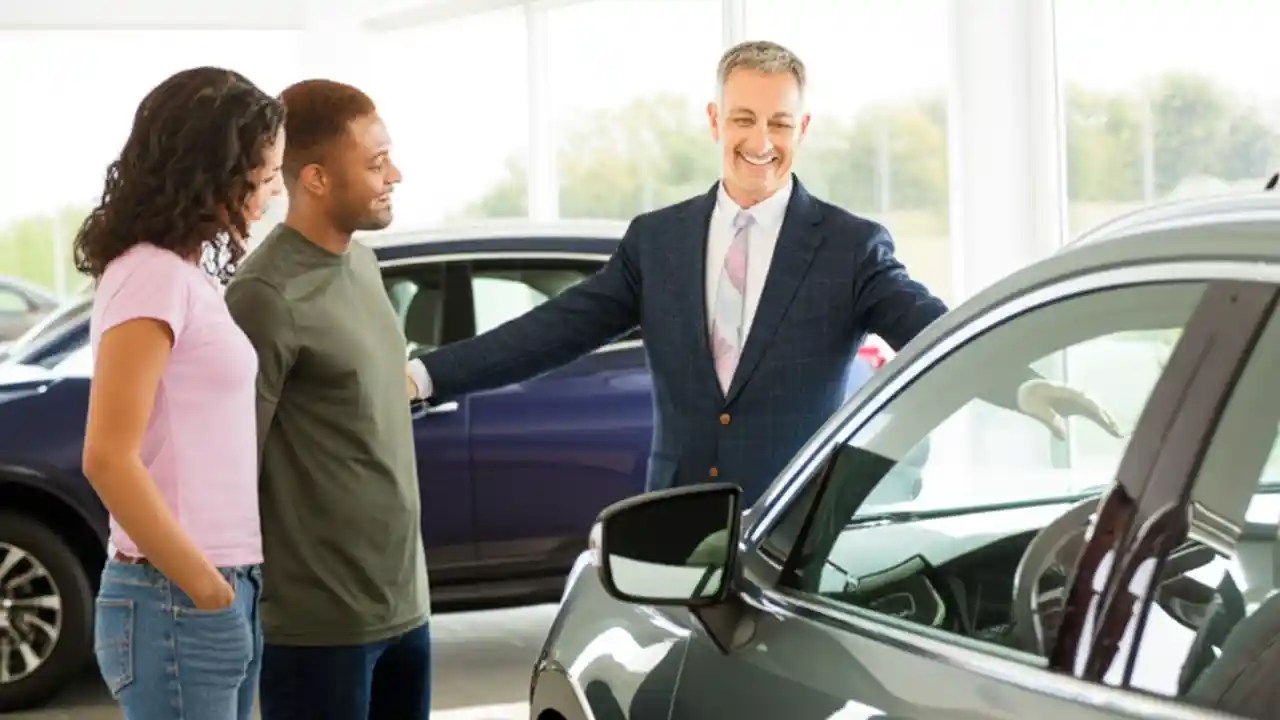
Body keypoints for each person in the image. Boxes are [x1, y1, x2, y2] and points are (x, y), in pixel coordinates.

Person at [409, 39, 1120, 506]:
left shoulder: (850, 246)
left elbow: (927, 329)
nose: (761, 141)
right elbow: (549, 331)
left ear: (802, 129)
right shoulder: (656, 241)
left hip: (795, 529)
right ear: (715, 120)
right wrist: (425, 376)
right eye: (745, 119)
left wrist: (1017, 382)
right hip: (676, 528)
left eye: (780, 123)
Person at [77, 67, 285, 719]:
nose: (270, 191)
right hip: (176, 596)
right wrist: (204, 588)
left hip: (215, 587)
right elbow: (108, 457)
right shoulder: (149, 275)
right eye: (264, 171)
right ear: (214, 168)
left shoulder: (185, 275)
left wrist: (227, 588)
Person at [224, 79, 430, 720]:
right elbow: (231, 469)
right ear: (313, 178)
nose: (394, 174)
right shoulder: (265, 296)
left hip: (406, 608)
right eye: (374, 164)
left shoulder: (365, 266)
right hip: (318, 630)